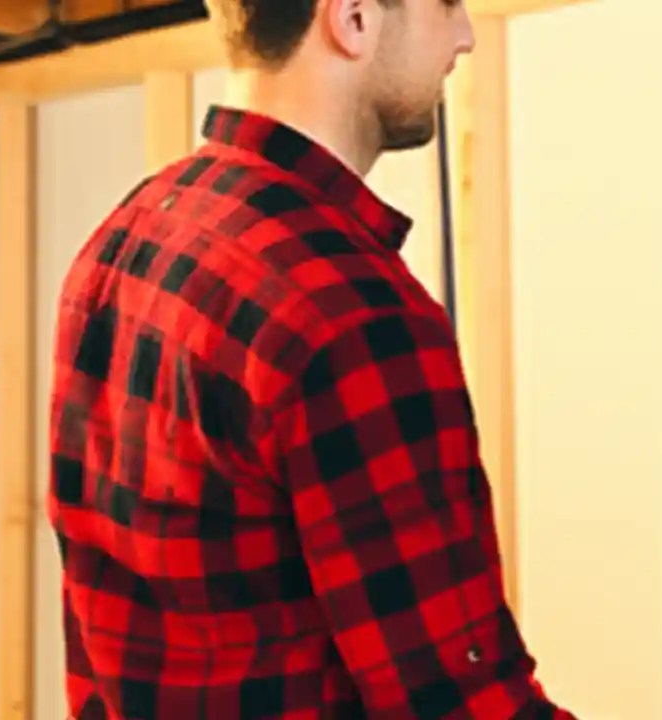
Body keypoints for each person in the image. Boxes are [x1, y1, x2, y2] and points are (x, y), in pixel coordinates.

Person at [46, 0, 574, 717]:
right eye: (446, 4)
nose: (467, 33)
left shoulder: (121, 242)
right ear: (353, 18)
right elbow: (454, 699)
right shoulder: (352, 312)